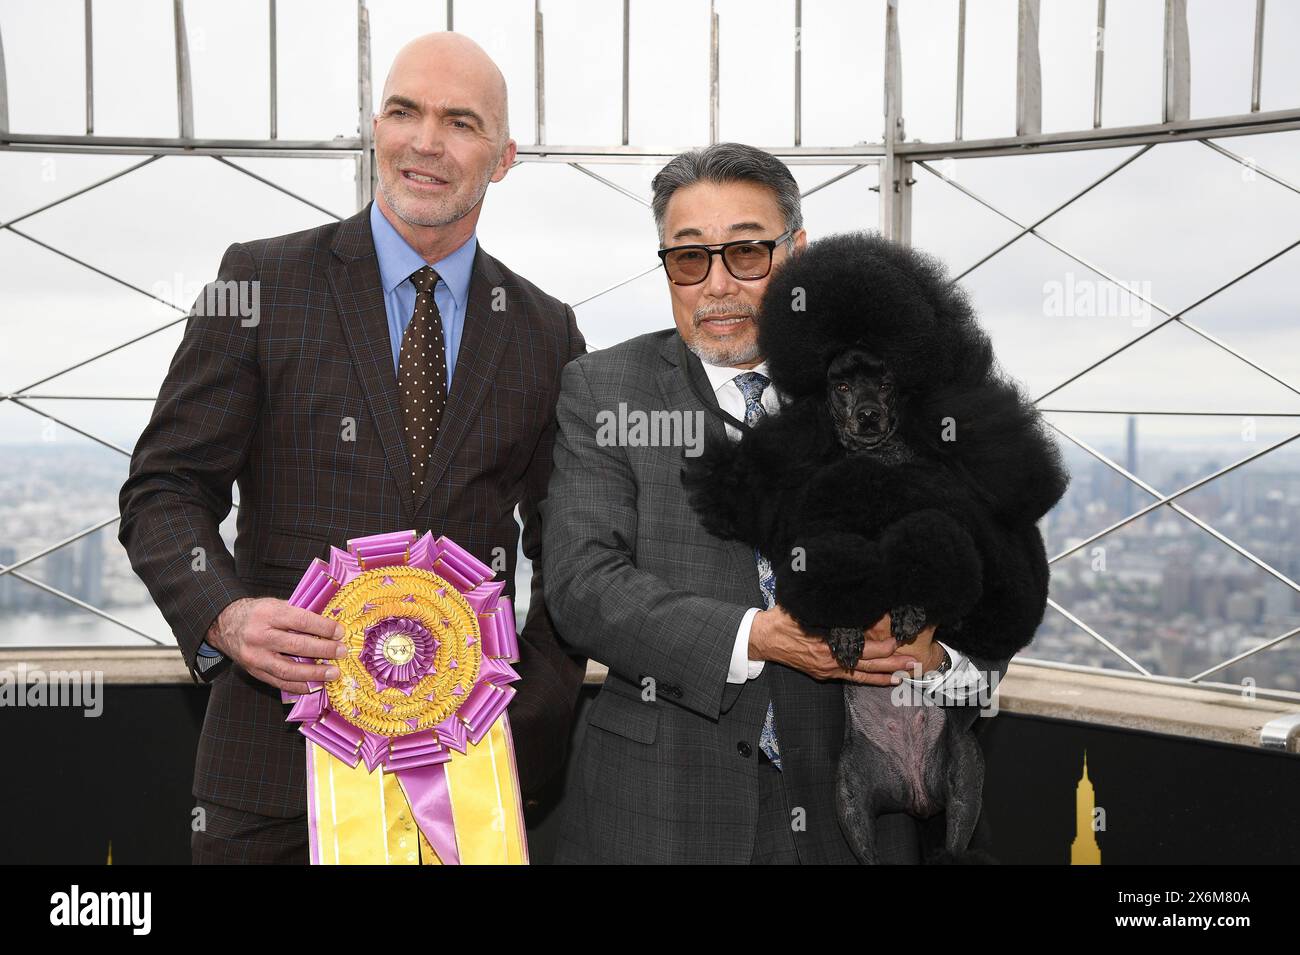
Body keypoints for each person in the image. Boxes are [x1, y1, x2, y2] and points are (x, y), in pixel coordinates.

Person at [118, 32, 586, 864]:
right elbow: (164, 491)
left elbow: (573, 546)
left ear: (504, 156)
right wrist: (223, 615)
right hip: (271, 774)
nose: (425, 142)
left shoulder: (546, 330)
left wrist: (532, 704)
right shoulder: (258, 283)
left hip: (471, 775)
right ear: (376, 127)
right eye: (403, 111)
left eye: (460, 121)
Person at [543, 142, 1005, 864]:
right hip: (657, 816)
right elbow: (581, 585)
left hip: (855, 817)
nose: (718, 285)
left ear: (798, 251)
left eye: (748, 253)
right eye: (690, 258)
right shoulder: (605, 389)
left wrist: (935, 655)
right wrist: (754, 636)